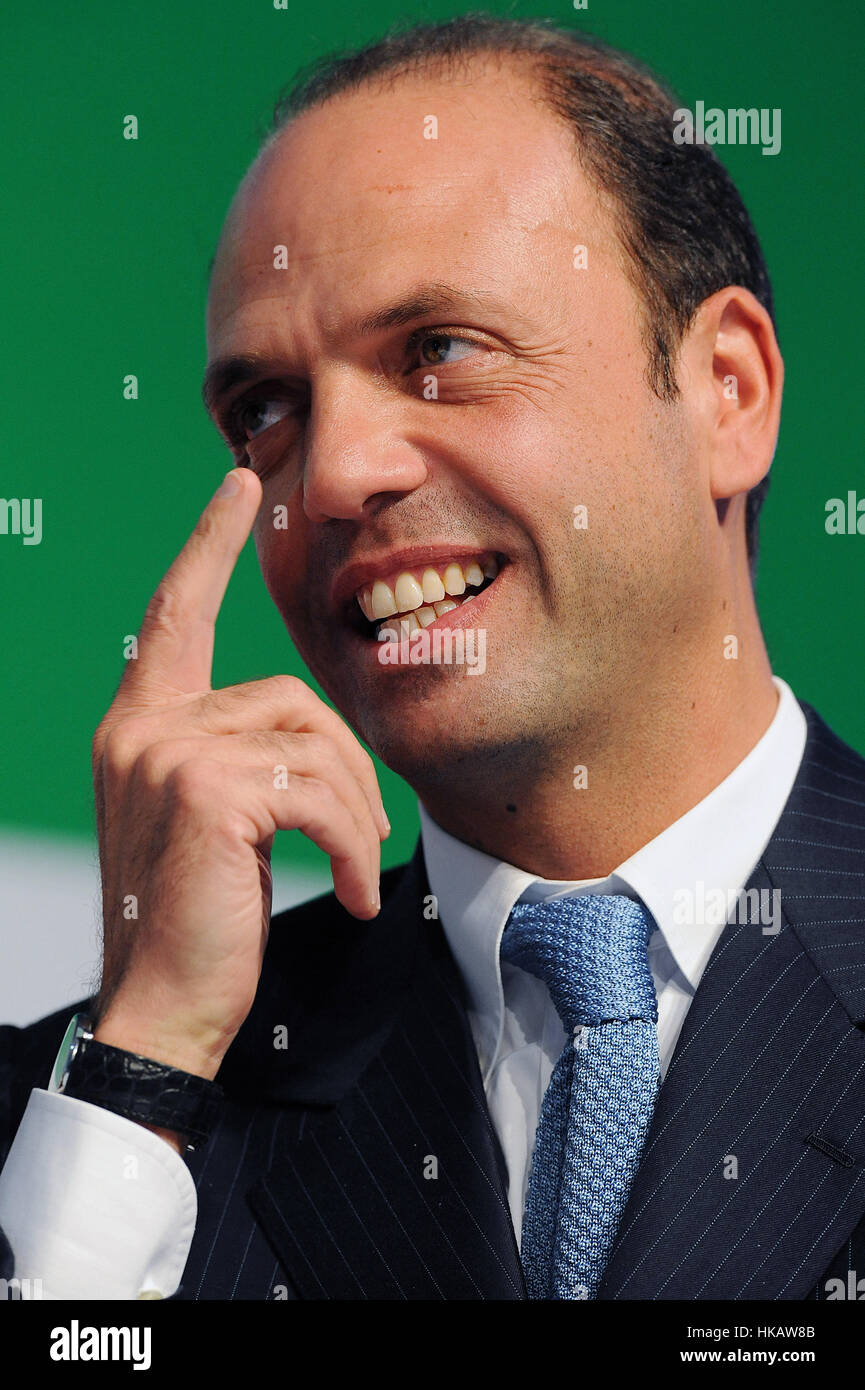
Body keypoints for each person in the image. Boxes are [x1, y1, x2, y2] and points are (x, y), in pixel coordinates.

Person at [2, 14, 864, 1302]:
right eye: (267, 410)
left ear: (725, 394)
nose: (338, 474)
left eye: (441, 353)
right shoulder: (92, 1121)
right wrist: (146, 1069)